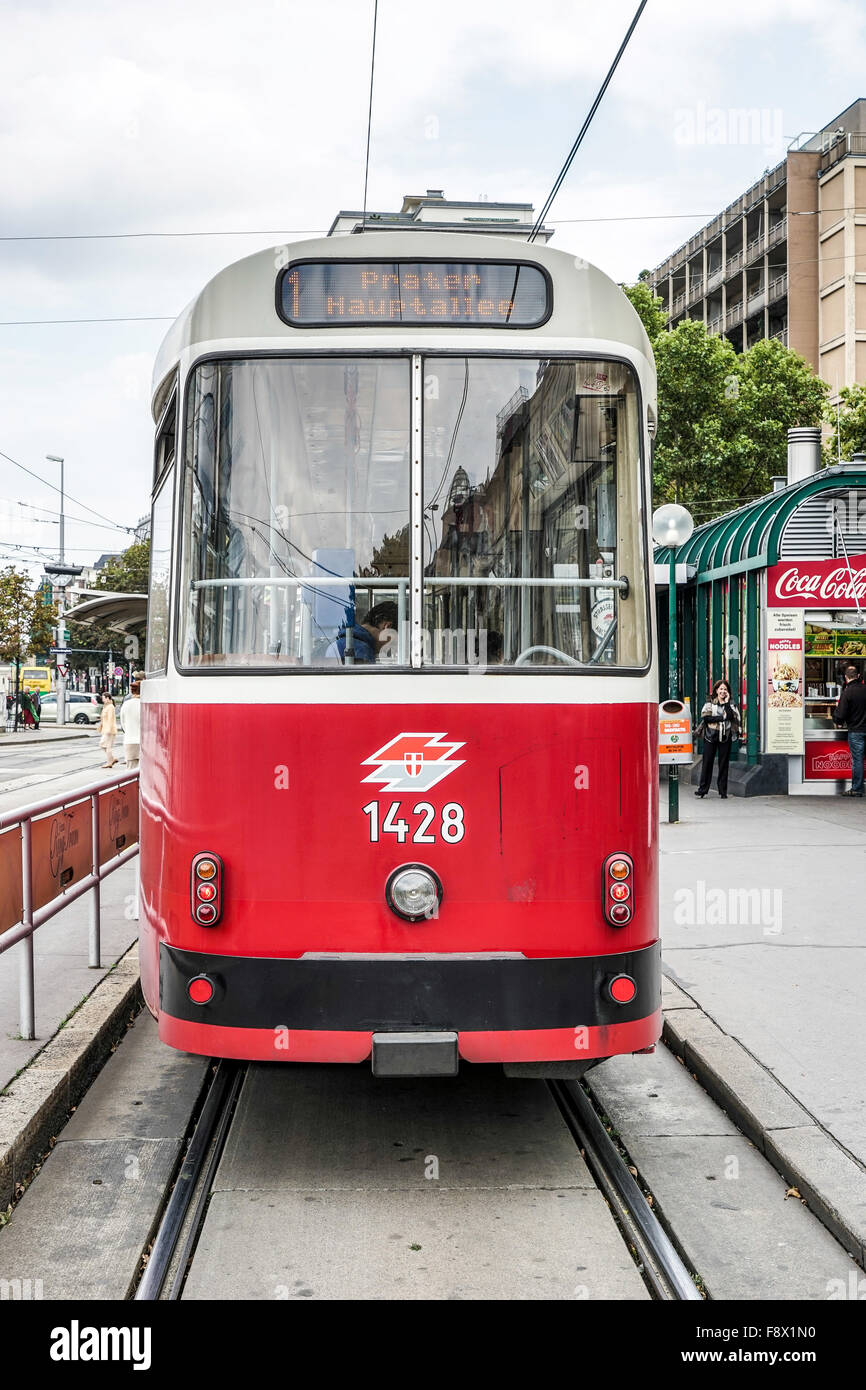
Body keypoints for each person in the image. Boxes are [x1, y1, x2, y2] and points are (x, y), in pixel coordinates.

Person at [695, 679, 741, 799]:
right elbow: (706, 718)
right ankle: (702, 789)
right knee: (707, 762)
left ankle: (723, 791)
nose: (723, 691)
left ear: (728, 692)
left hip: (725, 737)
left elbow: (731, 717)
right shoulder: (710, 702)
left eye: (725, 689)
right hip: (711, 736)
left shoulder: (731, 704)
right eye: (721, 689)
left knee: (723, 763)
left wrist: (726, 703)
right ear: (716, 690)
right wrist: (721, 718)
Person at [833, 664, 866, 797]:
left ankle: (857, 789)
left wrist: (838, 722)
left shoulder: (847, 692)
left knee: (858, 760)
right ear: (858, 676)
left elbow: (840, 715)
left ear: (846, 678)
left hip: (856, 731)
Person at [330, 601, 398, 664]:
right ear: (387, 627)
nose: (390, 649)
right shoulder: (361, 650)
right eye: (394, 643)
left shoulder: (346, 639)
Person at [120, 681, 141, 769]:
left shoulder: (126, 704)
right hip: (143, 741)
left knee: (130, 769)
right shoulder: (144, 704)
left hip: (129, 740)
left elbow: (122, 723)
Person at [98, 694, 118, 768]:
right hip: (106, 729)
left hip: (109, 730)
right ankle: (112, 759)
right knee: (103, 745)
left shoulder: (110, 707)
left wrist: (109, 729)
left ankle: (110, 762)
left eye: (103, 698)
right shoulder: (106, 706)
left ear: (108, 698)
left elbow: (111, 719)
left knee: (107, 746)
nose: (102, 700)